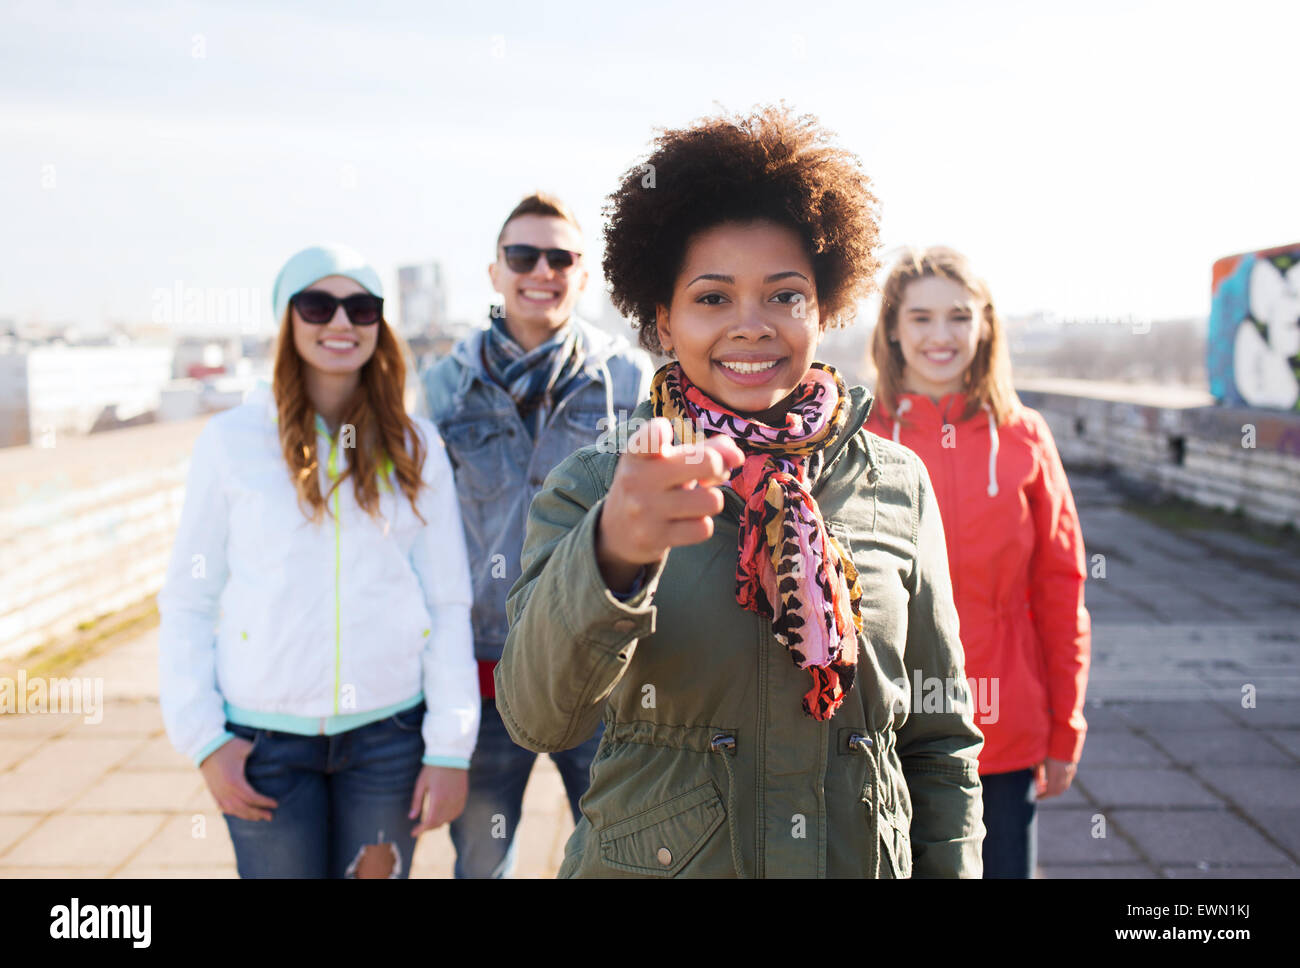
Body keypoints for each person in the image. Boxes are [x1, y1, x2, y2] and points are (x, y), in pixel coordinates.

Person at [496, 107, 985, 878]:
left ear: (824, 308)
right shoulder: (597, 484)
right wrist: (613, 555)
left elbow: (939, 740)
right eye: (713, 298)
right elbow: (537, 715)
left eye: (785, 296)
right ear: (662, 319)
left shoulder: (897, 482)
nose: (752, 326)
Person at [158, 244, 479, 878]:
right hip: (263, 744)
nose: (340, 323)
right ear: (287, 320)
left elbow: (447, 600)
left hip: (389, 737)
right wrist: (204, 741)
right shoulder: (232, 442)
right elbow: (188, 599)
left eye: (361, 308)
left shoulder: (417, 447)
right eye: (317, 305)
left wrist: (451, 747)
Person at [421, 193, 654, 878]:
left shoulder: (626, 379)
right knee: (483, 858)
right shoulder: (444, 387)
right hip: (485, 672)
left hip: (595, 664)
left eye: (562, 257)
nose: (541, 270)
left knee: (622, 853)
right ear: (495, 272)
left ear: (583, 276)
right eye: (523, 255)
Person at [865, 245, 1091, 878]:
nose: (942, 336)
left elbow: (1061, 587)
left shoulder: (1025, 436)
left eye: (959, 316)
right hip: (886, 730)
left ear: (985, 324)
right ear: (893, 328)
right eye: (921, 318)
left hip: (1004, 729)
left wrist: (1063, 726)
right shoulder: (856, 438)